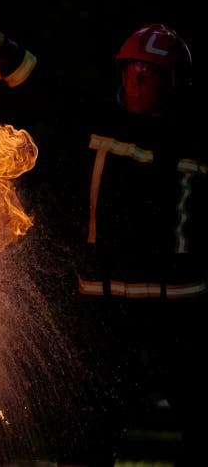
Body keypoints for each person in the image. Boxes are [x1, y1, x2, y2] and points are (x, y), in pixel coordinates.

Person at [67, 24, 207, 466]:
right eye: (131, 71)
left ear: (174, 83)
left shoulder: (196, 139)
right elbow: (43, 92)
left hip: (180, 312)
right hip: (104, 305)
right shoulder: (97, 121)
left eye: (149, 73)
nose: (137, 82)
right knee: (87, 426)